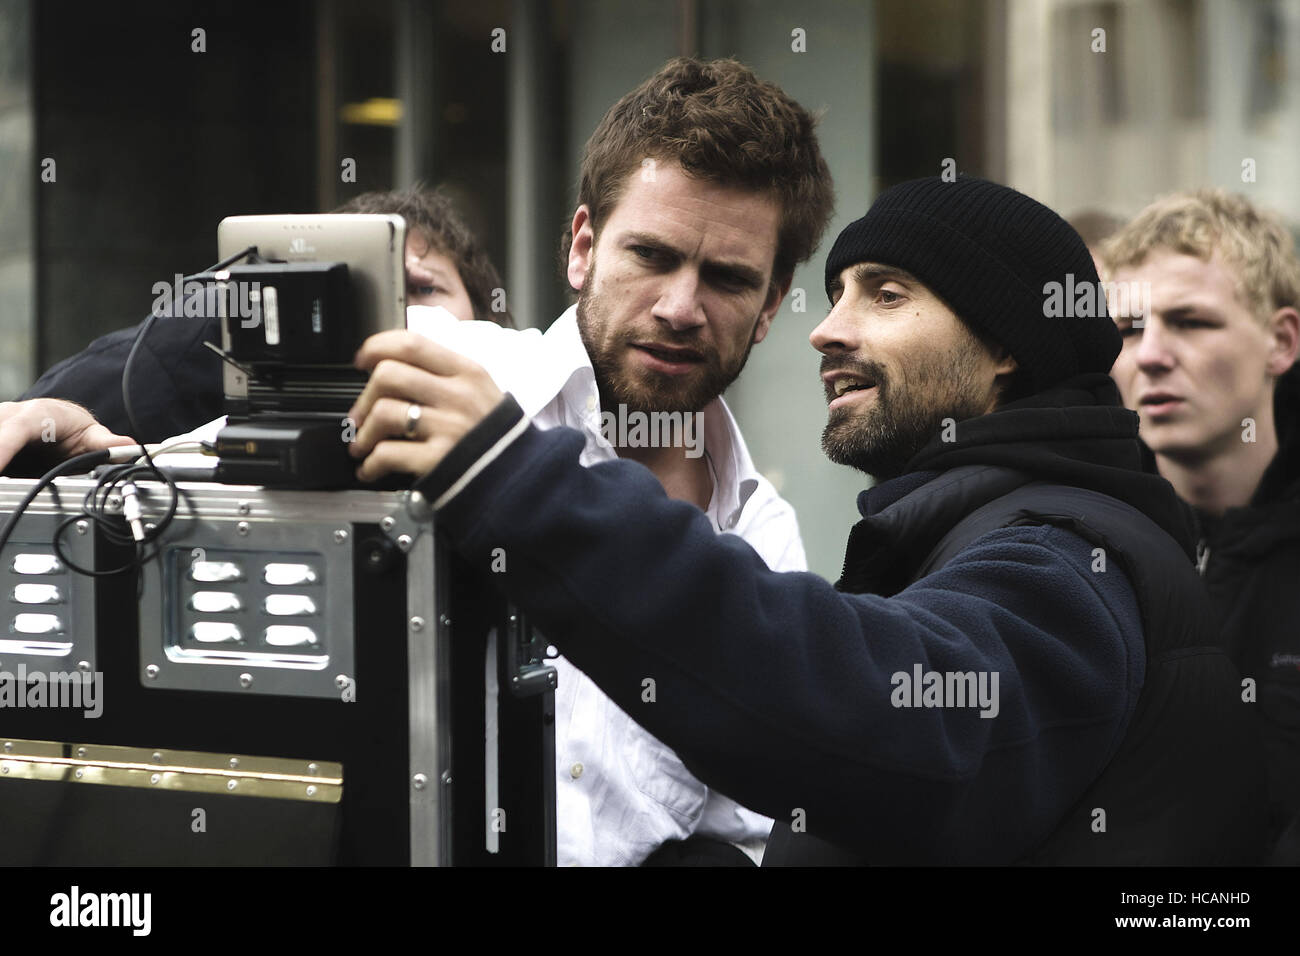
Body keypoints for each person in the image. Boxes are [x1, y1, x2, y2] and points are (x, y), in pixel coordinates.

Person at [2, 57, 835, 867]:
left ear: (770, 305)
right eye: (652, 256)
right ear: (582, 247)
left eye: (726, 278)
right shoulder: (452, 368)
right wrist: (53, 414)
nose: (681, 307)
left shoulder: (764, 542)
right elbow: (195, 387)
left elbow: (750, 826)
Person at [344, 175, 1266, 864]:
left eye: (886, 294)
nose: (830, 330)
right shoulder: (977, 534)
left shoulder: (1070, 558)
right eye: (835, 294)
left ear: (1004, 353)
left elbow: (880, 717)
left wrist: (520, 486)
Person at [0, 185, 510, 460]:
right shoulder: (197, 369)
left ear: (486, 318)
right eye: (366, 293)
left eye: (421, 290)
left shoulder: (526, 408)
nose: (397, 319)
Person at [1099, 189, 1300, 860]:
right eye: (1129, 329)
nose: (1151, 355)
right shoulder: (1082, 547)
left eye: (1189, 321)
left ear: (1282, 341)